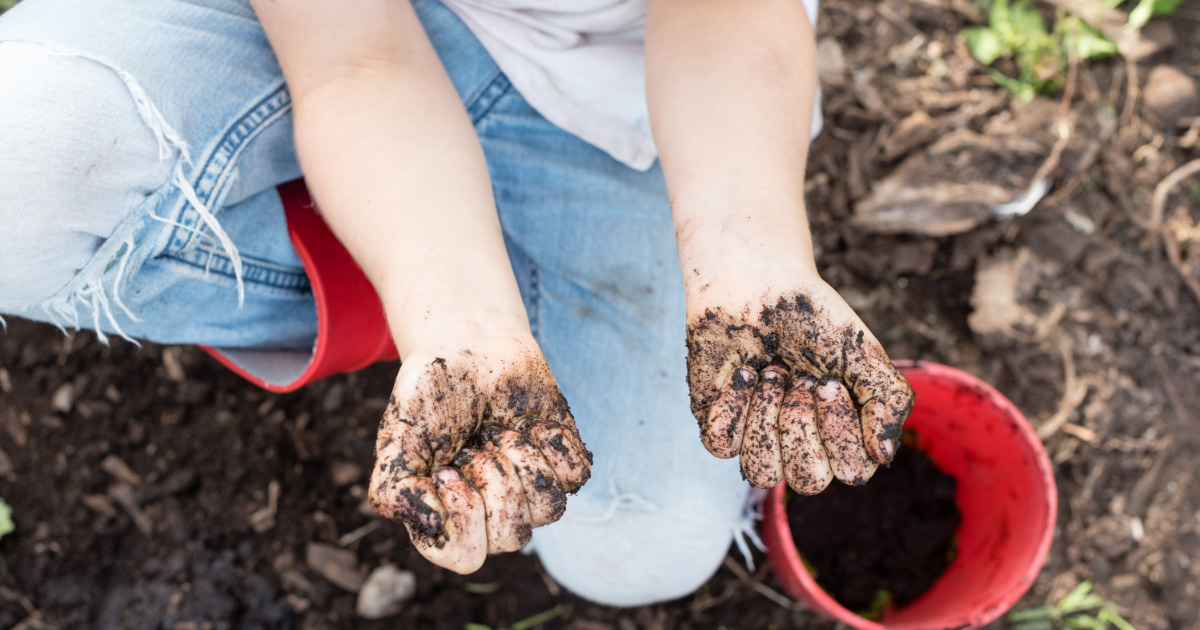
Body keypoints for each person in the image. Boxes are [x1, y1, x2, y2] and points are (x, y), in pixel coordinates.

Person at [0, 0, 913, 607]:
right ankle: (393, 293)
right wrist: (454, 318)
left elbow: (724, 20)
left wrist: (746, 256)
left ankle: (491, 267)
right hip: (345, 39)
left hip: (637, 87)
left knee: (642, 547)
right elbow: (356, 62)